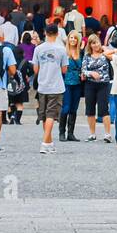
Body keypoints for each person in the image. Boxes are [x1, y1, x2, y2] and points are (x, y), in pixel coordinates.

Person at [32, 24, 69, 155]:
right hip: (56, 86)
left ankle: (50, 143)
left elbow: (35, 70)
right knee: (51, 115)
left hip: (42, 85)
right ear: (57, 33)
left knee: (44, 116)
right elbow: (64, 69)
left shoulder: (38, 49)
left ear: (45, 33)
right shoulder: (61, 49)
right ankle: (44, 143)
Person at [81, 34, 112, 142]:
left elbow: (114, 57)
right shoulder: (87, 56)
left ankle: (108, 134)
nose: (96, 45)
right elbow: (83, 70)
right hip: (90, 85)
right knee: (90, 109)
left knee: (104, 109)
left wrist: (106, 49)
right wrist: (91, 73)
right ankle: (92, 134)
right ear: (90, 45)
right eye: (93, 43)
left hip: (104, 84)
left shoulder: (105, 54)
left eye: (97, 42)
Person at [60, 31, 84, 142]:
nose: (73, 40)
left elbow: (84, 66)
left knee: (74, 108)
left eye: (75, 38)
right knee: (66, 107)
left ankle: (71, 133)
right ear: (68, 39)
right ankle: (62, 133)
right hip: (66, 82)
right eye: (71, 38)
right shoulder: (64, 52)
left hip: (78, 82)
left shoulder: (81, 53)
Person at [6, 38, 33, 125]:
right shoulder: (25, 62)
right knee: (19, 104)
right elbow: (32, 70)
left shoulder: (10, 62)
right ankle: (17, 120)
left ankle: (11, 118)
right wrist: (27, 75)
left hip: (10, 85)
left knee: (10, 103)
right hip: (22, 85)